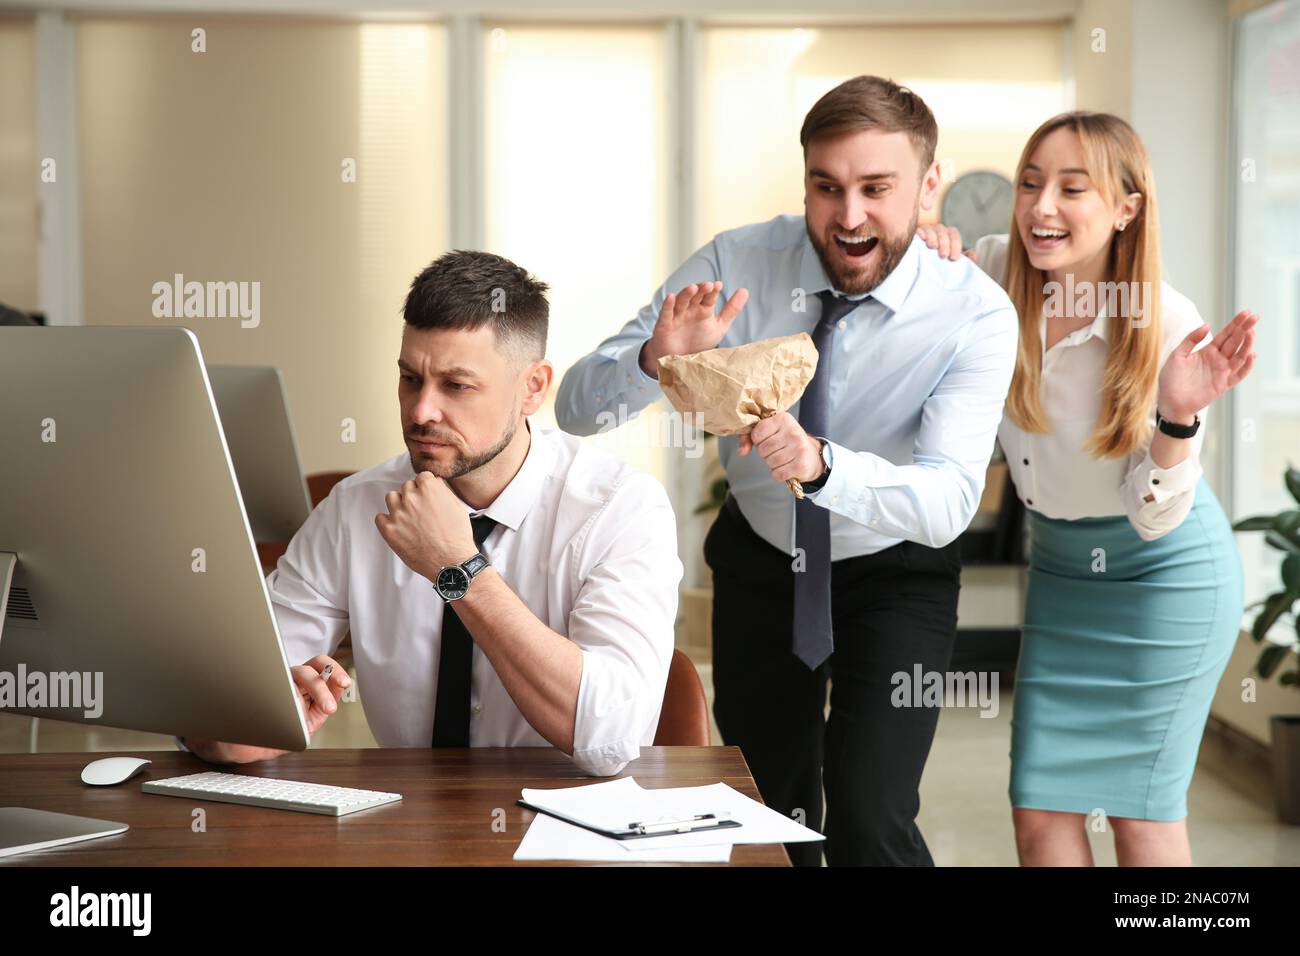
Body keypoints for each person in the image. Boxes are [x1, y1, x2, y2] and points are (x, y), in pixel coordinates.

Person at [555, 75, 1019, 866]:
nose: (849, 216)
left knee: (871, 817)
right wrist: (652, 360)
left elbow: (948, 501)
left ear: (929, 185)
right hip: (765, 563)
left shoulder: (973, 313)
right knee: (769, 814)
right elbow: (576, 409)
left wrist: (822, 465)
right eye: (826, 187)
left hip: (895, 569)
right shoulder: (734, 263)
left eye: (878, 188)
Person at [183, 250, 683, 777]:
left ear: (532, 388)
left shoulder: (621, 508)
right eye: (410, 379)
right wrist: (232, 736)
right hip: (403, 830)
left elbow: (611, 740)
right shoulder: (355, 509)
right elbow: (230, 702)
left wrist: (459, 571)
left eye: (456, 385)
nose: (421, 411)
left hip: (564, 834)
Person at [917, 111, 1258, 865]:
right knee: (1039, 814)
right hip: (1065, 572)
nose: (1041, 208)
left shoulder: (1166, 320)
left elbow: (1158, 513)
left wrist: (1176, 417)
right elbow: (903, 285)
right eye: (1030, 184)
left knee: (1141, 816)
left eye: (1073, 189)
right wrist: (930, 239)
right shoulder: (990, 272)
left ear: (1126, 207)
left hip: (1165, 576)